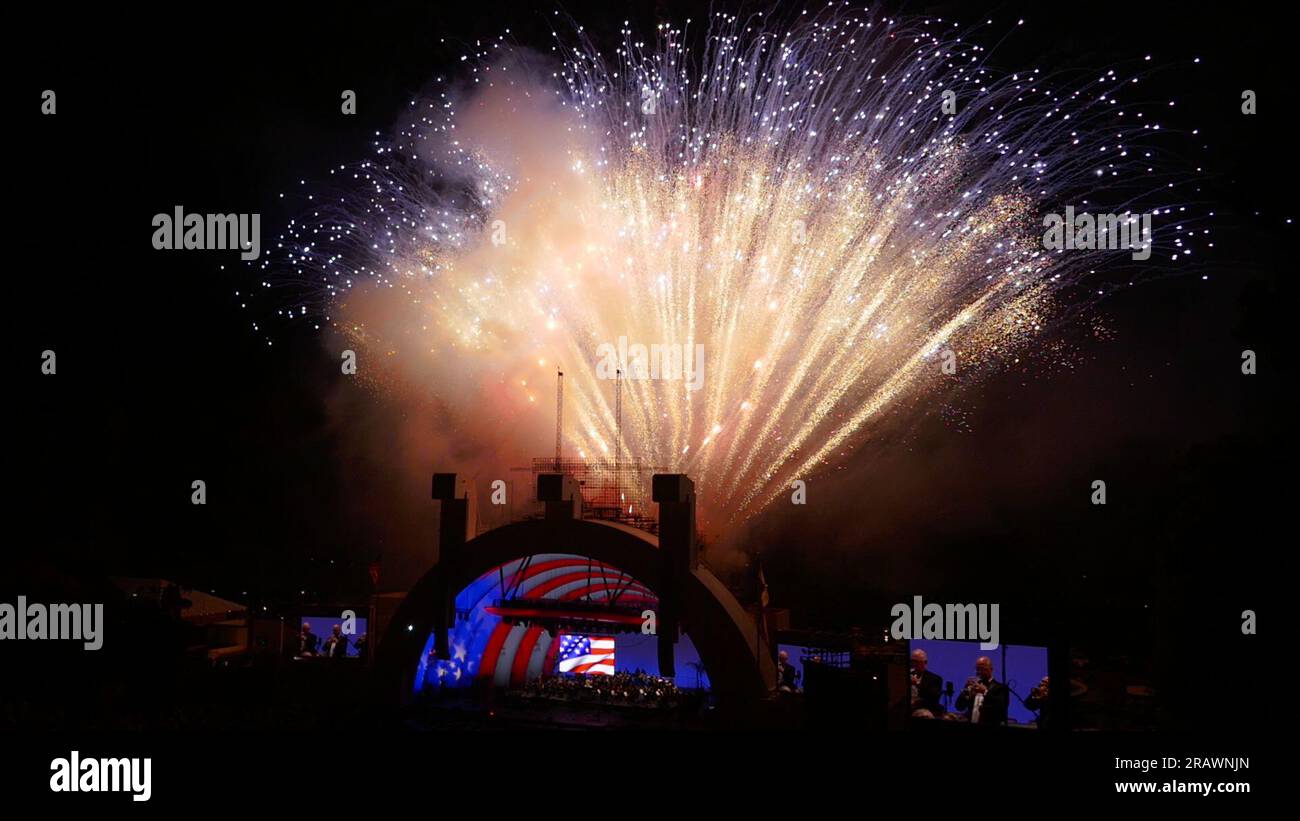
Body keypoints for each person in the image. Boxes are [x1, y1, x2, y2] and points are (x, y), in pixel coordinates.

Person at [955, 656, 1008, 726]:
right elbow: (959, 707)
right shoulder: (973, 686)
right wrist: (965, 690)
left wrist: (985, 692)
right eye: (977, 669)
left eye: (982, 668)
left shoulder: (1001, 688)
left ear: (991, 669)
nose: (979, 672)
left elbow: (1001, 708)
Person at [910, 648, 945, 717]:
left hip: (925, 709)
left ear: (925, 663)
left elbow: (933, 699)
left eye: (916, 662)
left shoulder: (935, 679)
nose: (913, 664)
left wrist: (917, 684)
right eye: (912, 661)